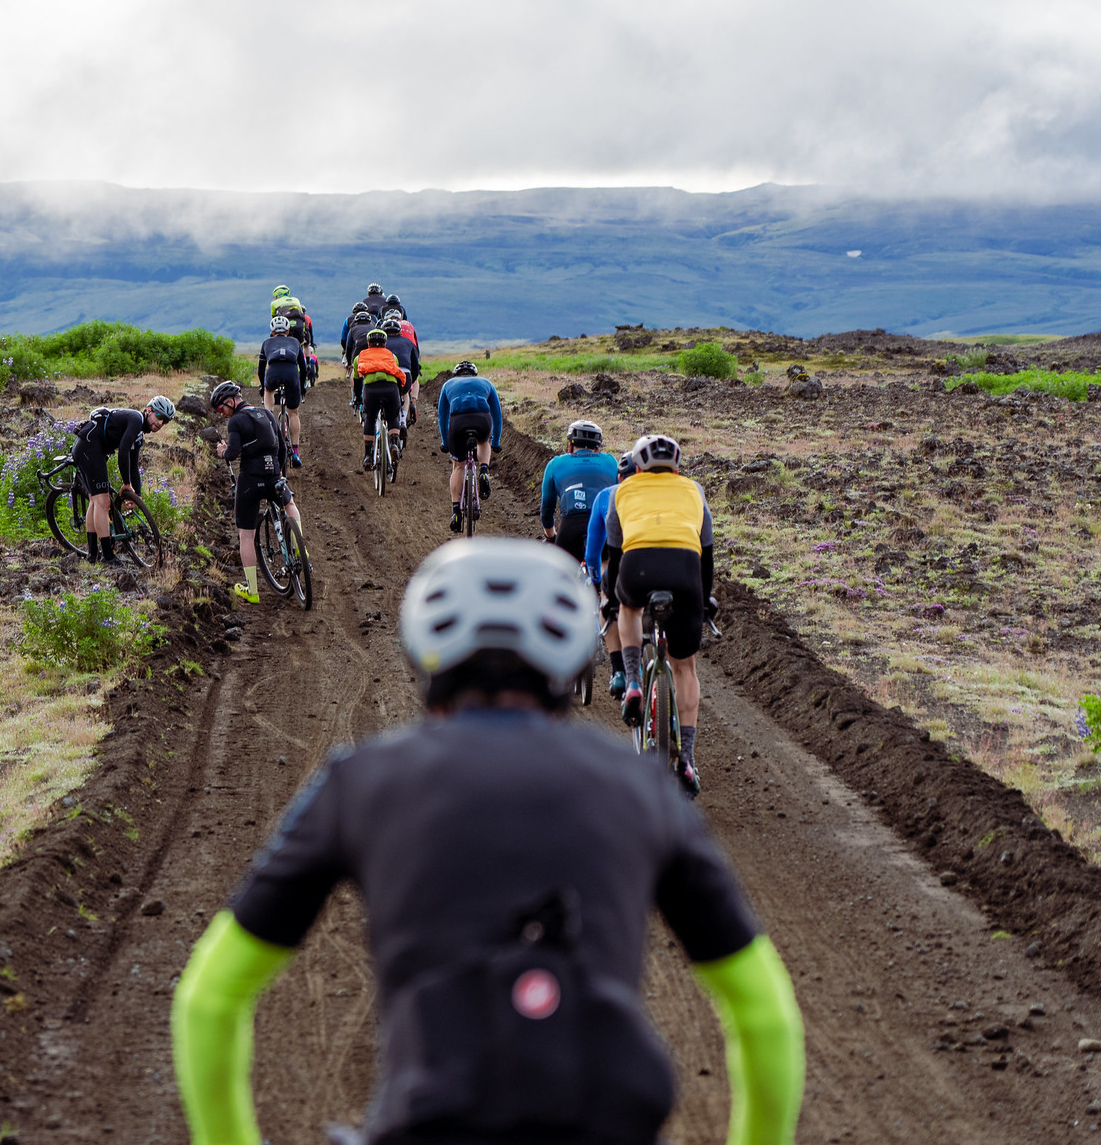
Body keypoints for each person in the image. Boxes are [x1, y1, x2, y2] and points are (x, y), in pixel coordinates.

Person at [171, 538, 805, 1145]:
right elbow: (763, 1011)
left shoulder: (362, 781)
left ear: (424, 653)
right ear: (572, 661)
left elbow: (210, 998)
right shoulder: (639, 786)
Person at [603, 434, 716, 797]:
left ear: (637, 467)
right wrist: (704, 600)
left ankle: (634, 681)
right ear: (677, 467)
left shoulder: (622, 492)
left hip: (638, 568)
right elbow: (707, 554)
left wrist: (611, 596)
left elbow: (614, 555)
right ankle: (687, 761)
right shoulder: (693, 491)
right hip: (686, 571)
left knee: (628, 607)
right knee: (685, 668)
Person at [208, 380, 300, 604]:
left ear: (231, 402)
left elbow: (232, 453)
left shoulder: (236, 421)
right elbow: (282, 447)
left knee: (246, 535)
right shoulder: (267, 414)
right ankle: (300, 550)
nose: (222, 414)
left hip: (250, 480)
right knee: (289, 506)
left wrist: (221, 452)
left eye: (221, 409)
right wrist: (278, 474)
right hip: (274, 476)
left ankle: (252, 590)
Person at [70, 395, 176, 565]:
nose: (161, 423)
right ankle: (107, 556)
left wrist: (137, 494)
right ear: (149, 410)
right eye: (160, 416)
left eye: (166, 421)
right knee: (102, 502)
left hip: (92, 447)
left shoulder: (139, 434)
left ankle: (92, 555)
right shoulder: (135, 418)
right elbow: (123, 452)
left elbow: (133, 465)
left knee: (95, 501)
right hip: (88, 446)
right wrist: (127, 484)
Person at [586, 451, 640, 701]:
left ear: (619, 476)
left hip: (616, 559)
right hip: (658, 561)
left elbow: (592, 550)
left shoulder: (607, 496)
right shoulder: (656, 497)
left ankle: (619, 670)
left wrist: (598, 585)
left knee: (610, 603)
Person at [539, 421, 619, 564]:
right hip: (604, 524)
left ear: (570, 446)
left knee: (563, 575)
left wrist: (551, 537)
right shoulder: (611, 461)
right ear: (597, 449)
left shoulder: (555, 463)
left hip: (570, 526)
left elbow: (547, 509)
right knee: (605, 568)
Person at [436, 361, 502, 532]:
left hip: (458, 422)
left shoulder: (448, 384)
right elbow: (497, 414)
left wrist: (445, 442)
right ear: (475, 374)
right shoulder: (486, 383)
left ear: (456, 375)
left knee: (458, 466)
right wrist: (495, 442)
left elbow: (442, 418)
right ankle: (484, 471)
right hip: (482, 420)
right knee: (483, 442)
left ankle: (456, 511)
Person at [255, 316, 308, 467]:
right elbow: (303, 369)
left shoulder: (266, 343)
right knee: (293, 413)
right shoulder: (295, 342)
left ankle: (269, 418)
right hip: (292, 375)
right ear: (288, 331)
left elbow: (260, 370)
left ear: (272, 332)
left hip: (273, 374)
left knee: (268, 392)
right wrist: (302, 386)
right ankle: (296, 454)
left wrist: (263, 386)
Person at [354, 327, 407, 475]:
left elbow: (357, 381)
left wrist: (358, 398)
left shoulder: (360, 356)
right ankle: (394, 444)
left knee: (370, 418)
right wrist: (400, 396)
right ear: (385, 343)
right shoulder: (391, 355)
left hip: (371, 391)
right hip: (391, 390)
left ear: (368, 343)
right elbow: (397, 377)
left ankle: (368, 456)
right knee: (392, 417)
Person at [381, 314, 421, 429]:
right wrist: (411, 381)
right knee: (405, 393)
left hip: (388, 375)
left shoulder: (383, 343)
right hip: (405, 374)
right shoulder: (407, 342)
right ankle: (403, 420)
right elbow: (415, 366)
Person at [342, 308, 377, 408]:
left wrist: (349, 364)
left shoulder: (352, 329)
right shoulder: (374, 327)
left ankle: (356, 397)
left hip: (358, 353)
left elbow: (348, 347)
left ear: (356, 322)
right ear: (370, 321)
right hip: (372, 353)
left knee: (355, 371)